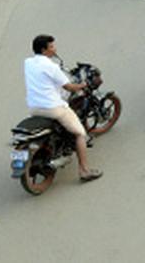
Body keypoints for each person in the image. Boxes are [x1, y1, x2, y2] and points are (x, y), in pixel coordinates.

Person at [24, 34, 101, 182]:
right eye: (52, 46)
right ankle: (84, 171)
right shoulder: (51, 66)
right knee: (80, 133)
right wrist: (84, 85)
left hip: (34, 107)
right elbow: (70, 87)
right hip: (53, 108)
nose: (55, 49)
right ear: (44, 50)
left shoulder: (28, 62)